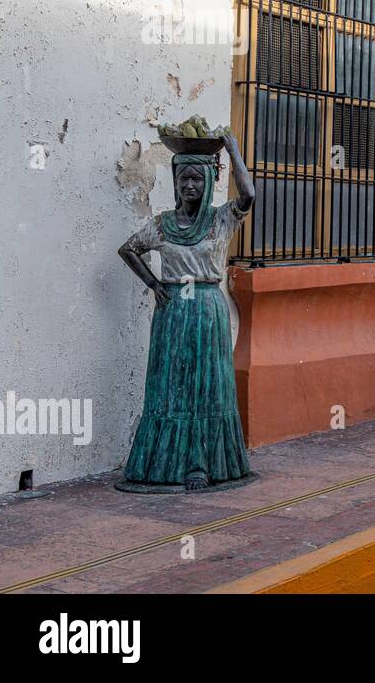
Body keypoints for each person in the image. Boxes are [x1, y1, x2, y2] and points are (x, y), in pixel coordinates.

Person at [117, 133, 254, 491]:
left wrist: (233, 151)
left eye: (197, 178)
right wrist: (154, 283)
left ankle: (204, 464)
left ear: (208, 182)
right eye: (183, 179)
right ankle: (163, 463)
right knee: (171, 386)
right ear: (176, 184)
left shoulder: (221, 219)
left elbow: (249, 196)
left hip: (208, 308)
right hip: (174, 310)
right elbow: (129, 249)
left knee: (208, 387)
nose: (190, 185)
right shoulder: (162, 224)